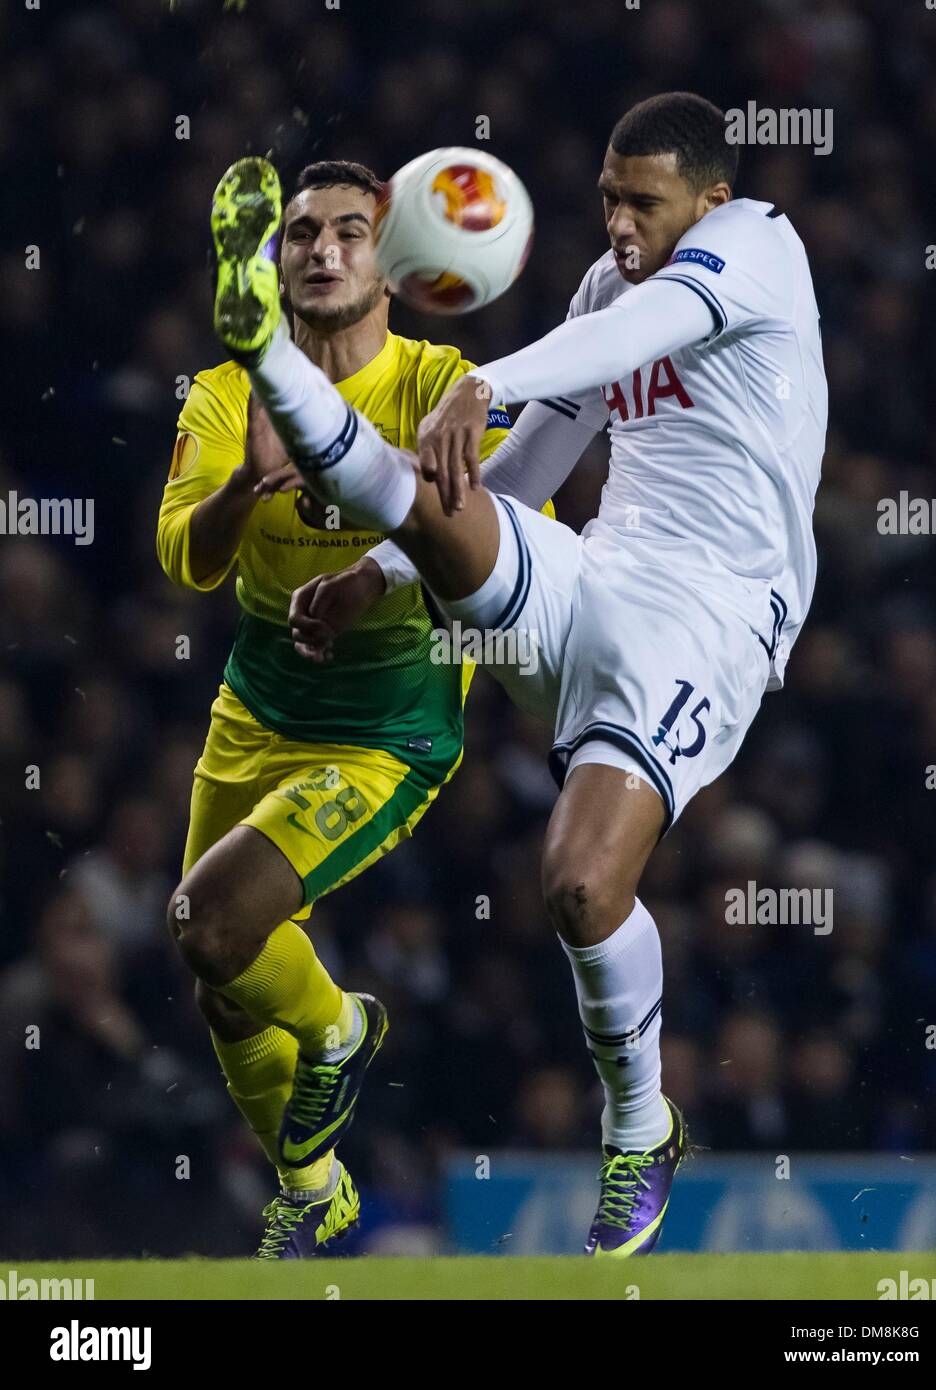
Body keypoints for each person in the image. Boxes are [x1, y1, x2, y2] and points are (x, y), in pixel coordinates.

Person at [208, 90, 827, 1257]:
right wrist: (380, 578)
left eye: (644, 202)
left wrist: (476, 376)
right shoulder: (605, 286)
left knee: (581, 891)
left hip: (714, 620)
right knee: (447, 494)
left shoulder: (758, 247)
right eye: (606, 197)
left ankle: (641, 1126)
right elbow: (538, 450)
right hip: (597, 575)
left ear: (711, 199)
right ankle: (262, 353)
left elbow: (622, 343)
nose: (620, 223)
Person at [158, 159, 520, 1258]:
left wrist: (380, 543)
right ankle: (312, 1182)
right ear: (273, 262)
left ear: (394, 263)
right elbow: (186, 560)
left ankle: (343, 1026)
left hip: (386, 724)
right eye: (300, 234)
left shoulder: (442, 382)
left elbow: (505, 537)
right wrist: (243, 484)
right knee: (223, 987)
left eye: (349, 232)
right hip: (257, 704)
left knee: (208, 923)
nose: (320, 249)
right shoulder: (228, 391)